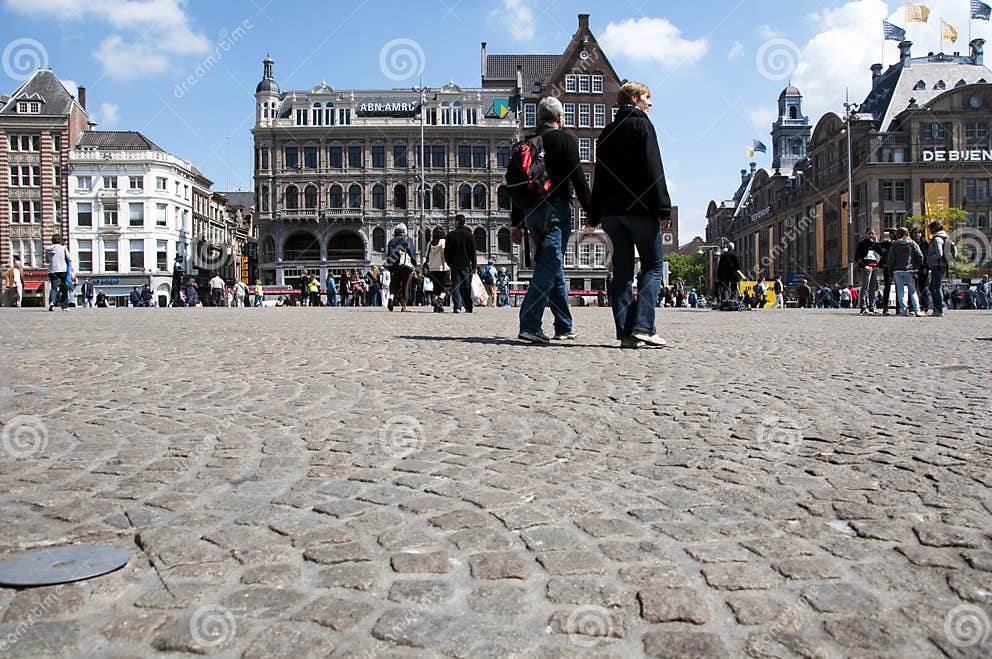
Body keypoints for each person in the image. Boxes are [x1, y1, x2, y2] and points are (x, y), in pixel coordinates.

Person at [588, 83, 669, 347]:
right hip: (641, 211)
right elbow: (653, 166)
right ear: (634, 98)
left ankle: (625, 333)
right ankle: (643, 326)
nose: (650, 103)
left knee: (621, 272)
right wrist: (663, 207)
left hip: (612, 214)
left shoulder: (605, 134)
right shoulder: (642, 125)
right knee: (653, 266)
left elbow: (599, 178)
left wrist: (594, 213)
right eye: (647, 97)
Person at [511, 96, 591, 343]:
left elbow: (517, 185)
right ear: (559, 118)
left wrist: (516, 223)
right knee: (549, 263)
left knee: (552, 265)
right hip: (557, 207)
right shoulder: (566, 140)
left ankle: (564, 325)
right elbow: (579, 178)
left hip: (531, 211)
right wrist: (592, 212)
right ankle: (530, 323)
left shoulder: (527, 143)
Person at [888, 227, 924, 316]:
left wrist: (890, 271)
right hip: (910, 270)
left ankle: (903, 311)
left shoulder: (894, 244)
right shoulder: (912, 243)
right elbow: (920, 256)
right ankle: (917, 310)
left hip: (897, 270)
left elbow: (890, 259)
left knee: (900, 291)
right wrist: (916, 266)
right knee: (913, 291)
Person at [444, 215, 476, 314]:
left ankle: (457, 306)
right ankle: (468, 307)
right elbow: (473, 252)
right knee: (466, 285)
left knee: (456, 285)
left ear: (457, 222)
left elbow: (446, 252)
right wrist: (474, 265)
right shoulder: (469, 235)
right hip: (466, 264)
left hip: (454, 264)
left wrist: (449, 262)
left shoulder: (450, 235)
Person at [926, 220, 956, 317]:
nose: (929, 230)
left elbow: (939, 253)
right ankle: (938, 308)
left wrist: (929, 257)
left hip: (937, 265)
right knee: (933, 287)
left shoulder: (937, 239)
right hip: (941, 265)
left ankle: (939, 309)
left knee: (936, 287)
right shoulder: (946, 237)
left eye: (930, 228)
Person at [385, 224, 417, 312]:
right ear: (404, 231)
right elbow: (411, 251)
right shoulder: (407, 239)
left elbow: (389, 255)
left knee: (394, 283)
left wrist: (390, 267)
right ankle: (404, 306)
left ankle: (391, 297)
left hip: (394, 266)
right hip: (405, 266)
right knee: (406, 285)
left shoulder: (391, 241)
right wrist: (414, 262)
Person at [854, 228, 881, 314]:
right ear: (866, 234)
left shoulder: (875, 244)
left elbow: (881, 252)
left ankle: (872, 306)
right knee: (865, 287)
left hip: (874, 266)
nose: (871, 235)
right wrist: (864, 266)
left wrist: (876, 243)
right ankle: (863, 307)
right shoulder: (862, 244)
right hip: (866, 266)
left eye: (873, 233)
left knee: (873, 288)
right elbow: (856, 257)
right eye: (869, 233)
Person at [425, 227, 450, 312]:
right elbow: (448, 255)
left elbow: (426, 256)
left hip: (432, 268)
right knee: (447, 286)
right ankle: (440, 300)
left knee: (436, 288)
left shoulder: (430, 243)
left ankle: (436, 306)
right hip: (443, 267)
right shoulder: (445, 243)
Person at [45, 235, 71, 311]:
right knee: (64, 287)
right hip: (62, 269)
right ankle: (65, 306)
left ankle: (52, 303)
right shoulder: (63, 248)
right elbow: (69, 258)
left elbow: (47, 261)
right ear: (60, 241)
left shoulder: (48, 249)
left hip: (52, 270)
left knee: (53, 287)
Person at [877, 228, 897, 315]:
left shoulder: (900, 243)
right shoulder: (887, 244)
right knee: (887, 287)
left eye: (894, 233)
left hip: (897, 267)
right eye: (891, 233)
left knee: (898, 288)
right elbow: (877, 245)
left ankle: (899, 308)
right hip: (887, 267)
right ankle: (885, 307)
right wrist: (883, 254)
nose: (892, 235)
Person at [911, 227, 930, 312]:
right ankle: (912, 306)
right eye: (915, 233)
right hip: (912, 267)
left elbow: (927, 256)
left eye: (919, 233)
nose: (917, 234)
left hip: (923, 268)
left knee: (923, 287)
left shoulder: (925, 243)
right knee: (912, 287)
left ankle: (925, 306)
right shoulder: (910, 243)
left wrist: (927, 267)